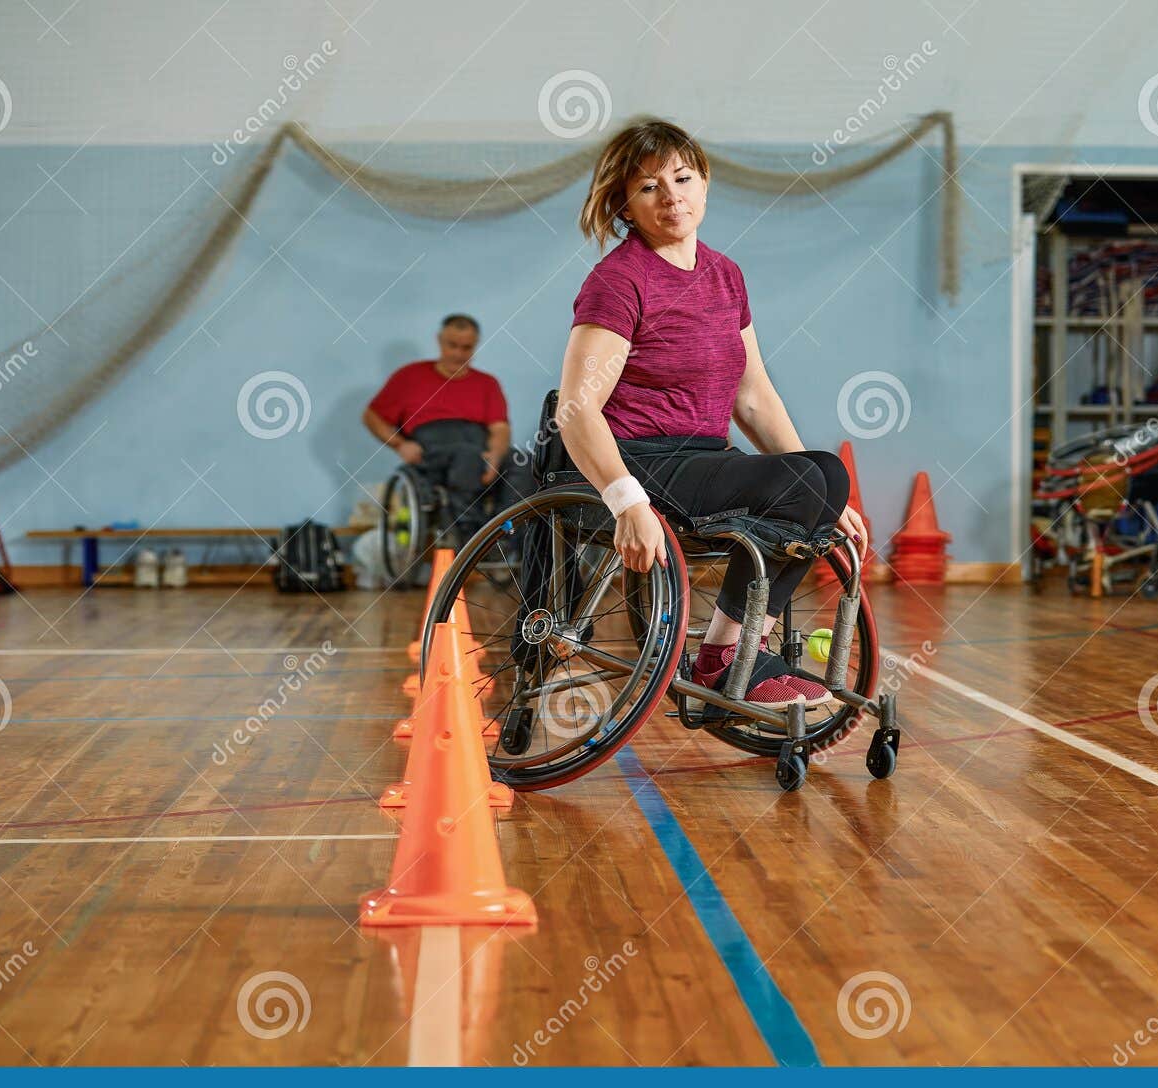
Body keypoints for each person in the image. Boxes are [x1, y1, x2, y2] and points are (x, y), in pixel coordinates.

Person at [556, 120, 869, 707]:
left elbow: (752, 394)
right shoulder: (618, 281)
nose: (671, 196)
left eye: (682, 178)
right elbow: (577, 409)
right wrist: (626, 501)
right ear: (625, 203)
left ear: (705, 184)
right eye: (649, 187)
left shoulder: (725, 276)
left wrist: (827, 499)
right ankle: (724, 659)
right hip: (640, 459)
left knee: (823, 472)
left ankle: (730, 652)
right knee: (810, 477)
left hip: (702, 457)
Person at [363, 314, 519, 541]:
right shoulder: (410, 376)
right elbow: (372, 416)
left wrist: (495, 456)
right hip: (434, 447)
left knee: (521, 463)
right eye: (452, 345)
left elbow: (500, 428)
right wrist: (400, 444)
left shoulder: (487, 383)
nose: (458, 353)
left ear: (475, 345)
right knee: (467, 455)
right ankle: (473, 540)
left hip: (478, 444)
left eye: (466, 348)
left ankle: (509, 538)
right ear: (439, 340)